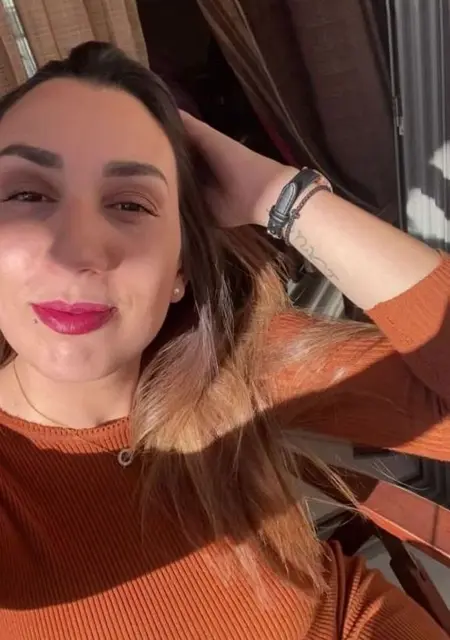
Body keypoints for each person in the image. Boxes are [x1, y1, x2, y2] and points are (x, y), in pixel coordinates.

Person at [0, 41, 448, 640]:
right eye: (27, 195)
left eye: (130, 203)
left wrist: (283, 198)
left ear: (180, 270)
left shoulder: (240, 365)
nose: (77, 253)